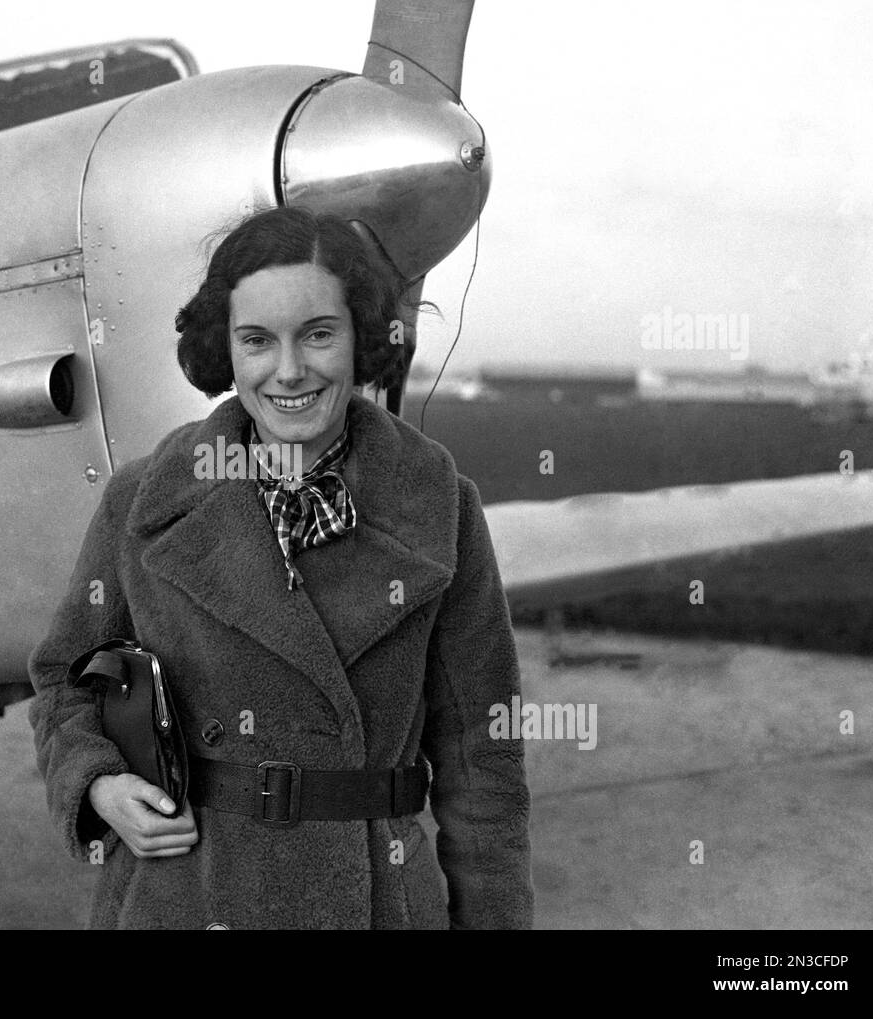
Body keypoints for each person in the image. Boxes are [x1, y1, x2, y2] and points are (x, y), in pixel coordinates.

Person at [28, 206, 534, 929]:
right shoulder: (142, 501)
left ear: (362, 335)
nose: (289, 370)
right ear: (223, 349)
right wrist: (98, 782)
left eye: (319, 334)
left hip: (379, 901)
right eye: (257, 340)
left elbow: (482, 756)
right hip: (184, 894)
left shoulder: (442, 507)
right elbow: (62, 681)